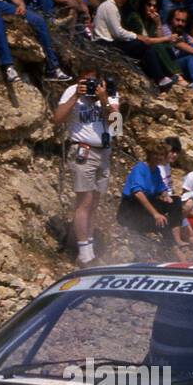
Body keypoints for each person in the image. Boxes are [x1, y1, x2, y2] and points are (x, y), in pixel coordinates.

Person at [55, 64, 118, 265]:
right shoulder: (72, 92)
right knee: (85, 201)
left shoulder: (108, 92)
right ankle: (84, 253)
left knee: (95, 203)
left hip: (104, 152)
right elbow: (57, 119)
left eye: (92, 80)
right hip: (83, 150)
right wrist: (75, 97)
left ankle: (88, 248)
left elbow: (117, 125)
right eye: (84, 80)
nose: (88, 84)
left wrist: (103, 98)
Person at [93, 0, 169, 83]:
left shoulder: (111, 6)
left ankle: (159, 77)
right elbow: (118, 32)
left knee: (144, 49)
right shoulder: (110, 7)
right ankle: (160, 78)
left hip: (109, 43)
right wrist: (136, 36)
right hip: (105, 44)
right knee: (142, 45)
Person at [118, 142, 182, 251]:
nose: (159, 157)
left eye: (161, 155)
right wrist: (156, 214)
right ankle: (175, 252)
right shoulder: (140, 168)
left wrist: (165, 195)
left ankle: (177, 237)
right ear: (150, 154)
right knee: (162, 222)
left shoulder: (156, 170)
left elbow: (161, 187)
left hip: (145, 206)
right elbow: (138, 193)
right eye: (155, 154)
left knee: (176, 201)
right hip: (131, 210)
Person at [129, 0, 182, 87]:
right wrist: (168, 37)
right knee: (158, 44)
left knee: (165, 45)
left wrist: (158, 24)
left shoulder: (151, 20)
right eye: (149, 5)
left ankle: (177, 75)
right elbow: (147, 40)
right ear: (143, 5)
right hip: (136, 49)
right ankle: (173, 75)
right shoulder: (136, 17)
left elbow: (160, 38)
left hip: (149, 50)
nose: (152, 8)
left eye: (155, 6)